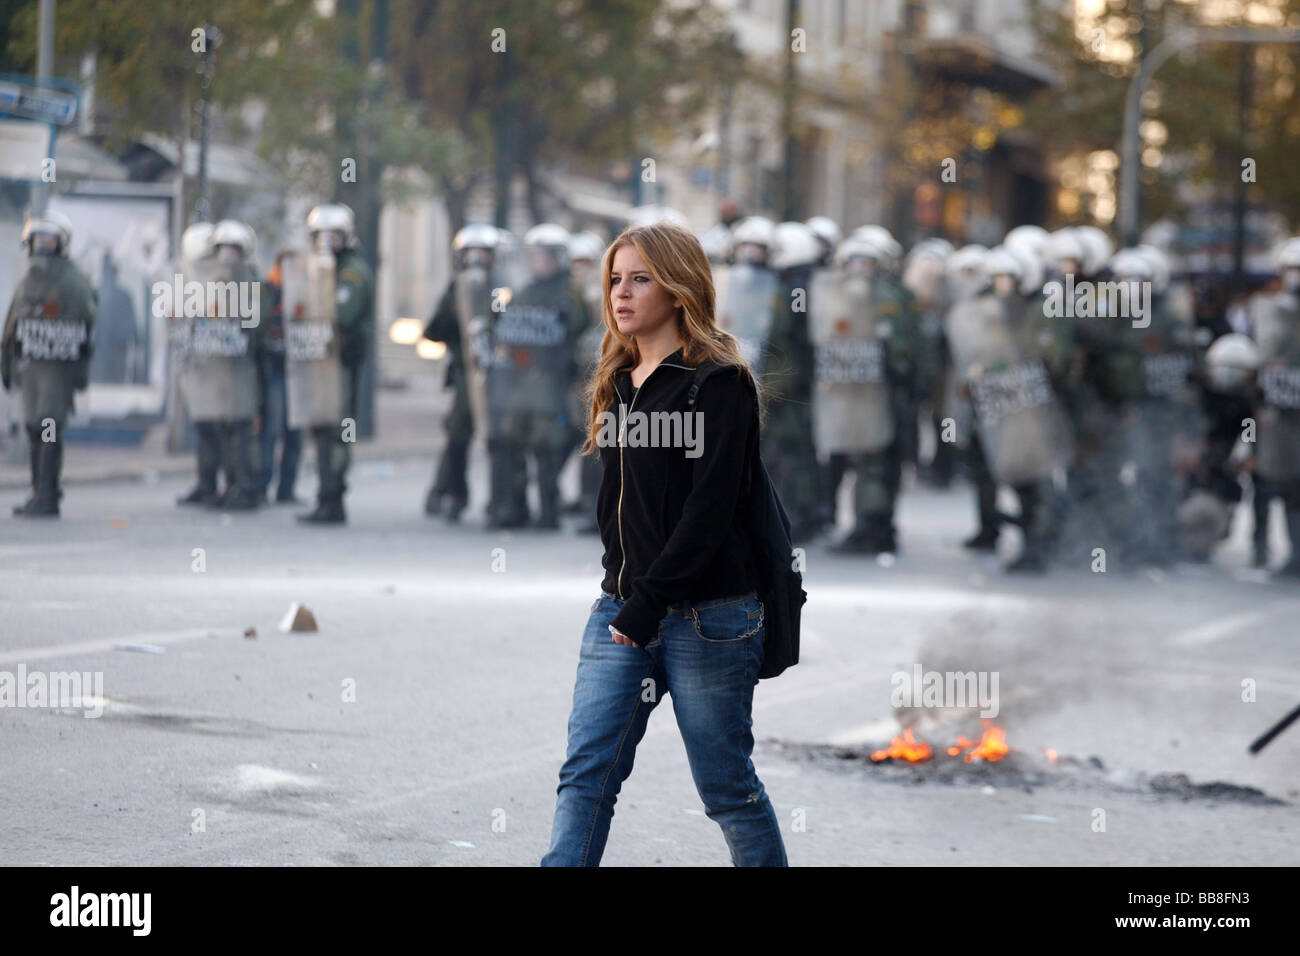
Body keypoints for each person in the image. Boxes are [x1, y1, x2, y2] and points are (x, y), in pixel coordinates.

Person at [541, 221, 786, 867]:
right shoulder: (621, 379)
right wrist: (622, 591)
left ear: (678, 290)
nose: (621, 293)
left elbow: (708, 515)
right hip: (622, 609)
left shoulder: (718, 384)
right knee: (585, 777)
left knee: (726, 790)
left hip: (709, 616)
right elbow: (620, 501)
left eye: (640, 279)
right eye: (615, 280)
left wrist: (645, 605)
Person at [2, 212, 96, 517]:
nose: (42, 247)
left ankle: (48, 493)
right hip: (31, 371)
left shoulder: (72, 280)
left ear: (61, 244)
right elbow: (12, 326)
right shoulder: (27, 280)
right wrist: (7, 365)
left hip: (56, 373)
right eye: (37, 241)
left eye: (48, 241)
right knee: (34, 429)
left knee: (48, 428)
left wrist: (79, 372)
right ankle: (39, 490)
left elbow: (85, 326)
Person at [288, 203, 374, 525]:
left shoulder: (351, 271)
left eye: (333, 236)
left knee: (337, 432)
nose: (327, 242)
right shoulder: (317, 269)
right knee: (322, 429)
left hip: (342, 364)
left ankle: (333, 498)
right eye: (321, 235)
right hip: (318, 362)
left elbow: (342, 313)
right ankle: (325, 496)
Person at [422, 223, 499, 521]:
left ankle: (501, 501)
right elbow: (433, 330)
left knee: (500, 440)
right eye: (471, 252)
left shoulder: (500, 289)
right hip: (466, 378)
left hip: (498, 377)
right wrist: (456, 317)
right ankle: (451, 493)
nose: (476, 258)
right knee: (457, 435)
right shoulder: (456, 289)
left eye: (483, 252)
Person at [259, 250, 303, 503]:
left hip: (298, 372)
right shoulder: (269, 290)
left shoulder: (306, 290)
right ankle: (263, 484)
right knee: (272, 429)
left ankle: (286, 488)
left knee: (294, 433)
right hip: (275, 370)